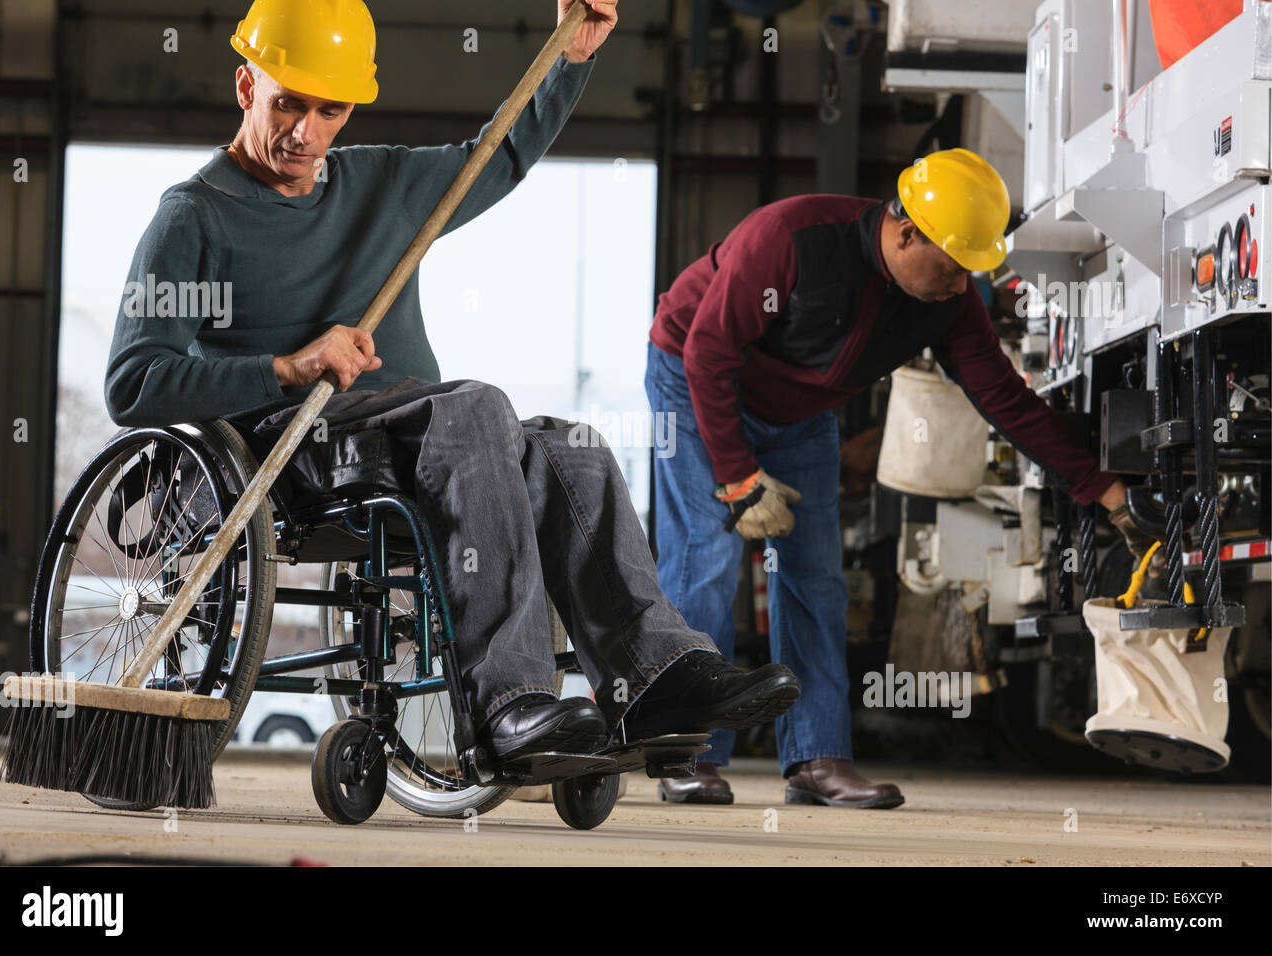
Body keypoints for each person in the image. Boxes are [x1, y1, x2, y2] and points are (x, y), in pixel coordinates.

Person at [105, 0, 800, 763]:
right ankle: (510, 705)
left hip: (426, 433)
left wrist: (572, 56)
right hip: (298, 448)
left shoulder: (381, 185)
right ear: (245, 88)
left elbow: (497, 157)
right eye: (286, 104)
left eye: (329, 110)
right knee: (474, 408)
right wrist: (289, 367)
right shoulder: (193, 218)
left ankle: (655, 681)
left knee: (573, 447)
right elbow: (135, 384)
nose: (305, 132)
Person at [644, 148, 1151, 808]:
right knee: (706, 559)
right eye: (950, 268)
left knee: (816, 576)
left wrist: (1100, 486)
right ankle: (686, 754)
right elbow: (710, 348)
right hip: (694, 381)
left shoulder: (948, 299)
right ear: (907, 232)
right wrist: (739, 477)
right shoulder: (790, 238)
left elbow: (1003, 398)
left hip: (799, 415)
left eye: (970, 272)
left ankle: (817, 757)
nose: (958, 286)